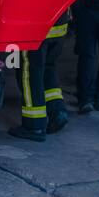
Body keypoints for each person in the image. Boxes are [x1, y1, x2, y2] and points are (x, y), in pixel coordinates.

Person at [9, 10, 71, 141]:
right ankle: (58, 112)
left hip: (35, 29)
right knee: (48, 68)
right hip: (59, 25)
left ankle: (34, 126)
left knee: (29, 74)